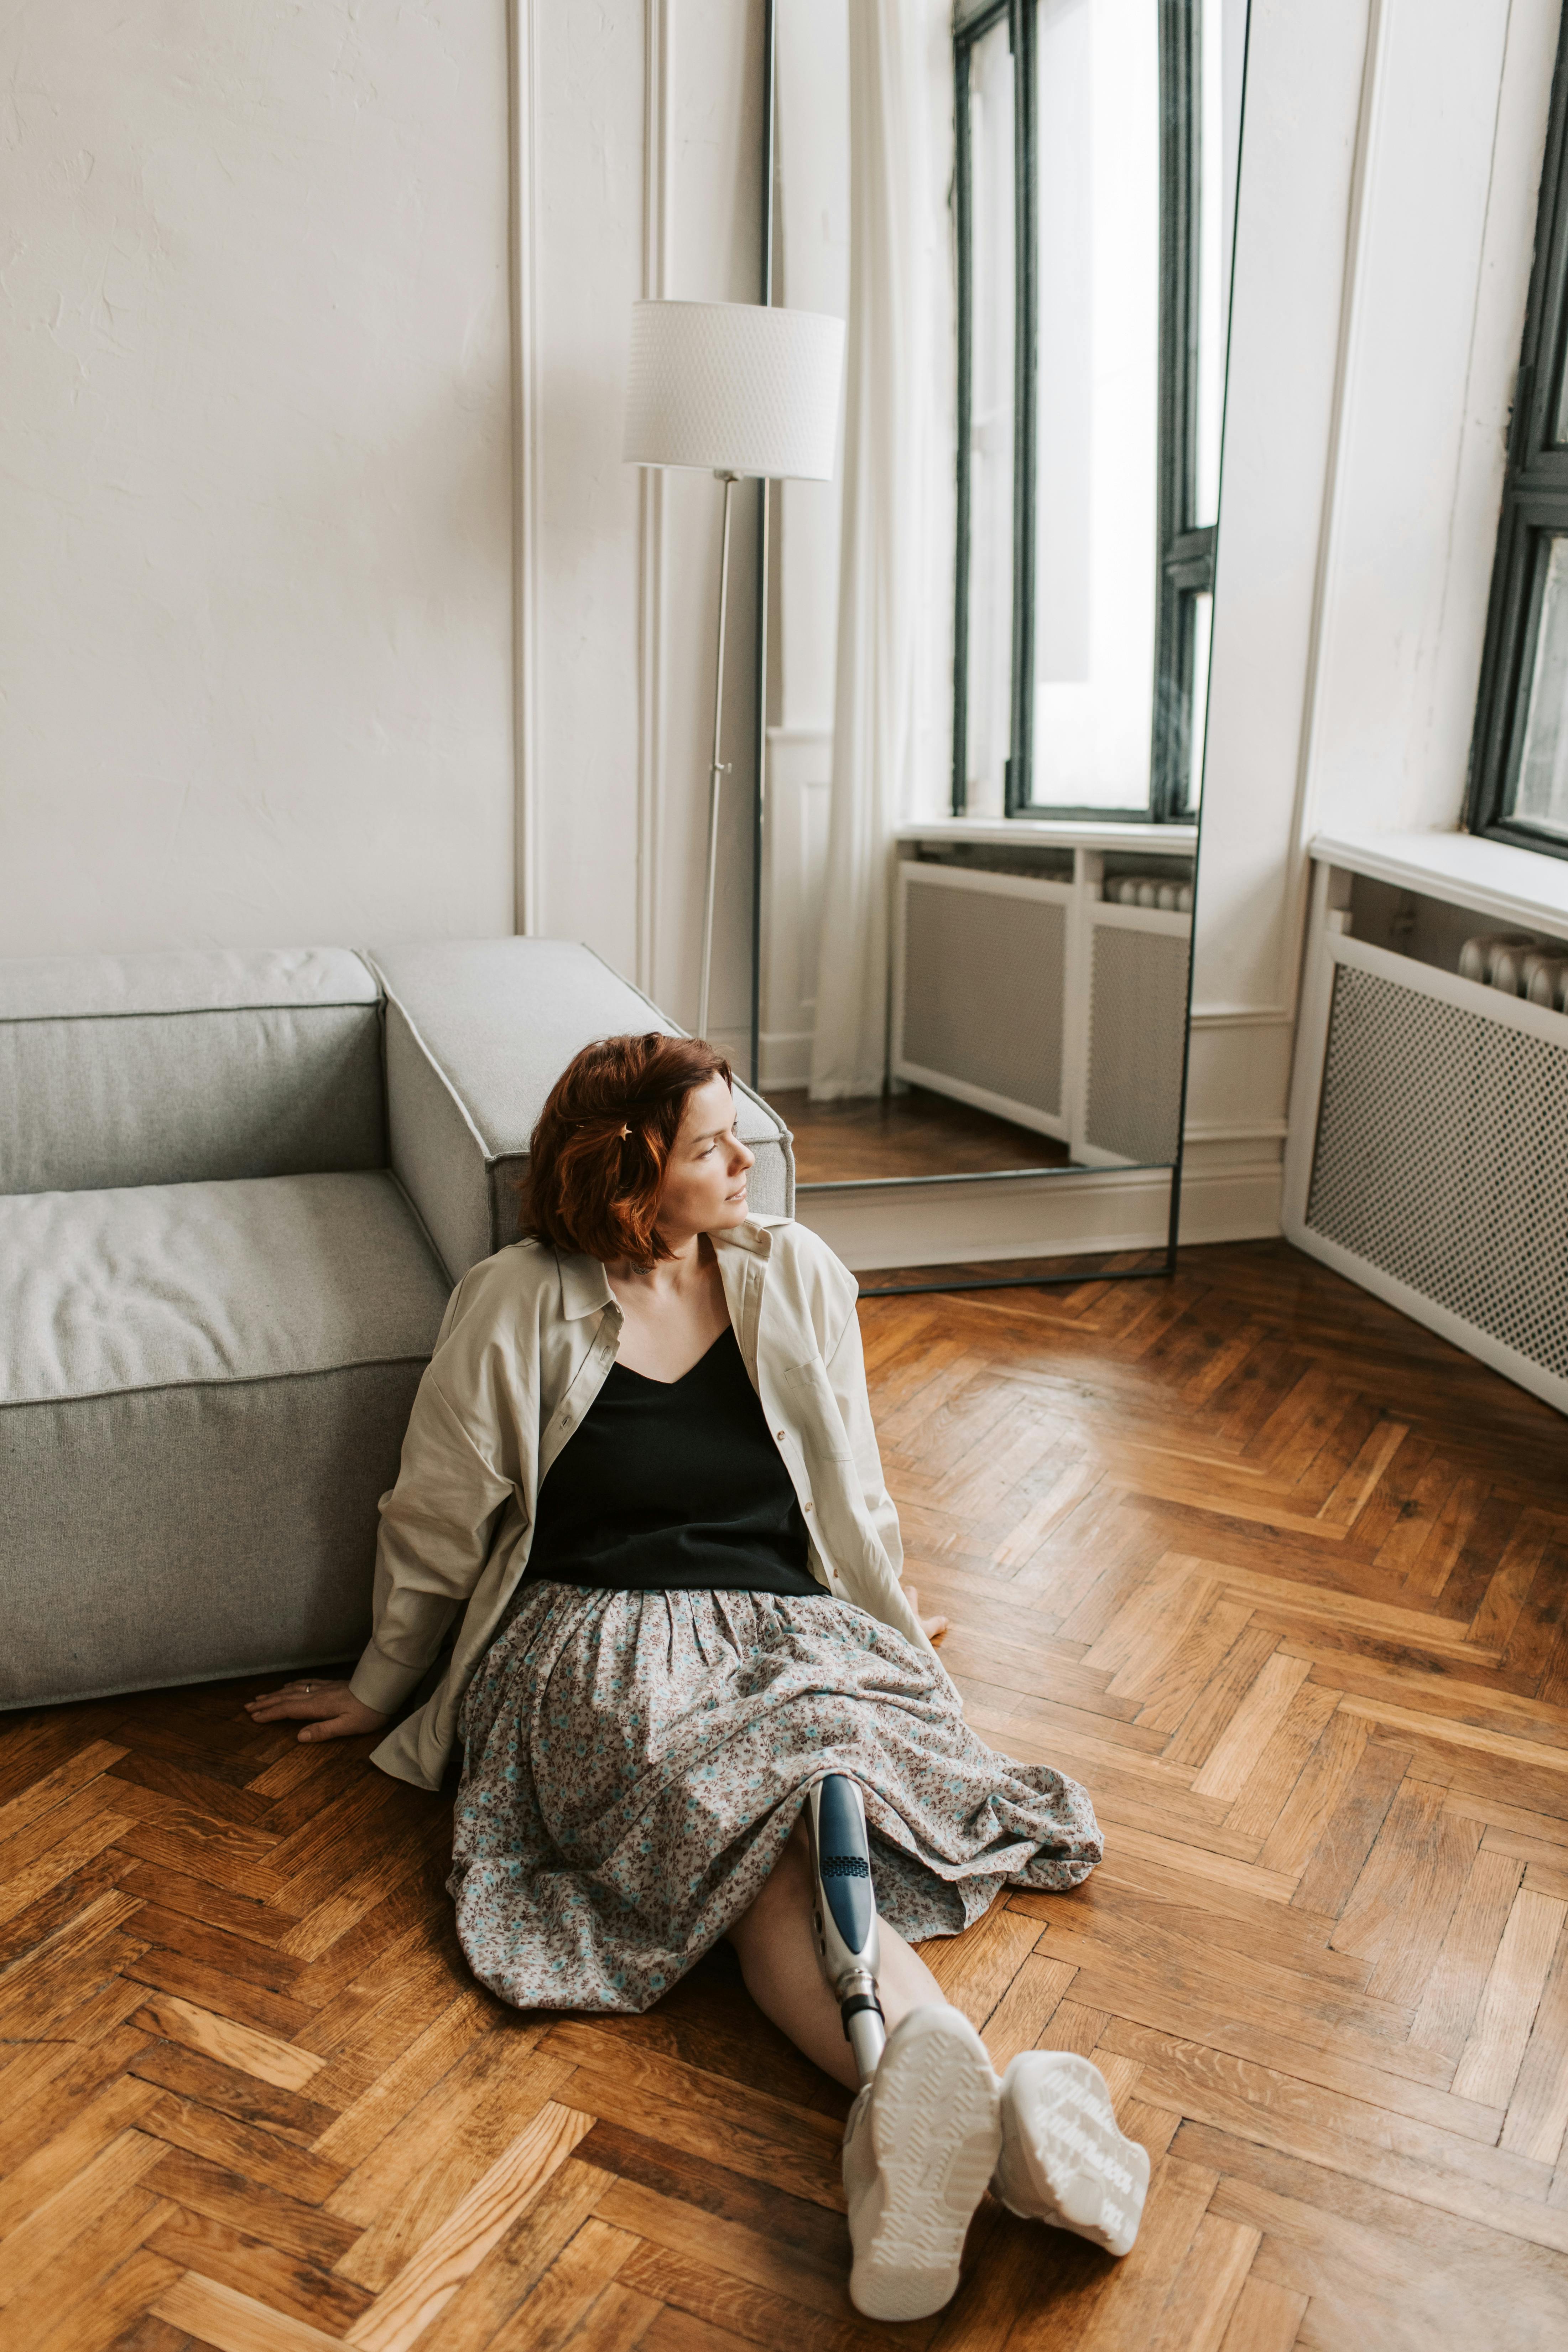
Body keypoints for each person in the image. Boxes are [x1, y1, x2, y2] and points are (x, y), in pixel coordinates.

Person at [246, 1034, 1148, 2320]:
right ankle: (983, 2112)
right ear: (627, 1166)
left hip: (787, 1628)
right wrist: (383, 1685)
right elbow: (437, 1516)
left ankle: (955, 2104)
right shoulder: (515, 1301)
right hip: (594, 1636)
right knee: (760, 1820)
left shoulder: (795, 1271)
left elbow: (857, 1487)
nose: (748, 1158)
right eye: (712, 1143)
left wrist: (888, 1627)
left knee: (810, 1797)